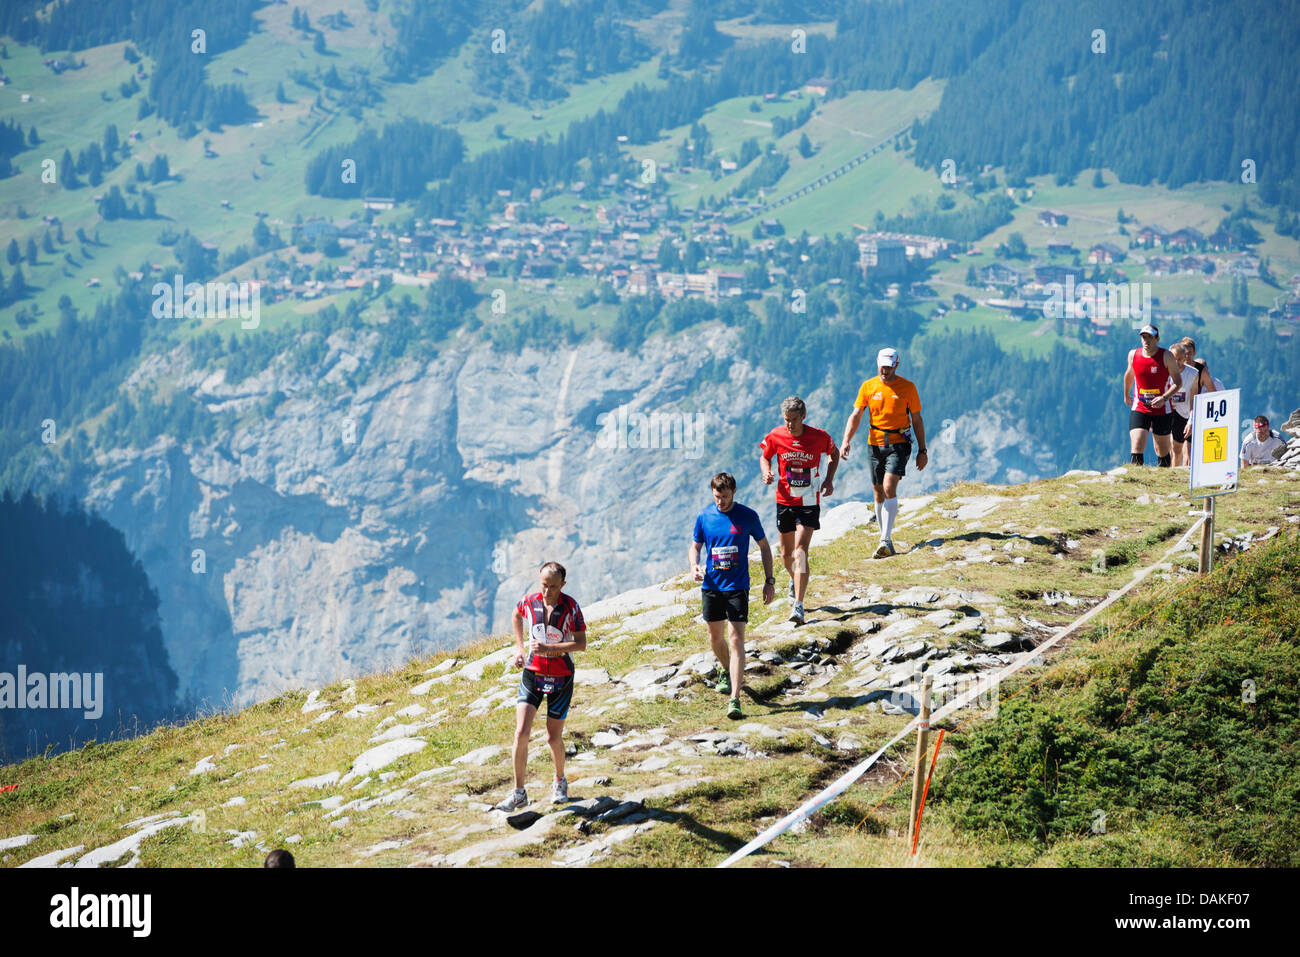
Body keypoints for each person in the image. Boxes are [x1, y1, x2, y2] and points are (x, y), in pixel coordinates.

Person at [496, 561, 586, 812]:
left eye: (553, 587)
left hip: (561, 677)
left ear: (563, 585)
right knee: (521, 733)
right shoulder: (530, 601)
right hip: (532, 674)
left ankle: (559, 781)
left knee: (552, 737)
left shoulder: (571, 607)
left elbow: (581, 644)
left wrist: (550, 649)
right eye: (544, 585)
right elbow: (516, 614)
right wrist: (519, 648)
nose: (546, 592)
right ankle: (518, 793)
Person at [690, 472, 776, 720]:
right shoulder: (704, 516)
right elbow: (695, 546)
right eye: (717, 497)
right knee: (714, 638)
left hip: (738, 587)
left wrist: (769, 581)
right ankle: (727, 670)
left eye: (725, 497)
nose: (721, 502)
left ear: (734, 492)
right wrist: (694, 565)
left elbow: (764, 547)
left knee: (736, 639)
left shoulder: (748, 516)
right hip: (712, 587)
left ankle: (735, 699)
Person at [759, 396, 840, 625]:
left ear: (803, 417)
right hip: (784, 500)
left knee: (800, 551)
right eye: (786, 420)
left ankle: (799, 606)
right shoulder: (776, 435)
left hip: (808, 503)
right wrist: (766, 472)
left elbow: (833, 455)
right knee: (786, 556)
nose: (790, 425)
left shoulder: (819, 437)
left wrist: (829, 480)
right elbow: (765, 456)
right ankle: (795, 580)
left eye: (794, 420)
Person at [840, 347, 927, 558]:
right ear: (877, 364)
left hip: (899, 443)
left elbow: (916, 419)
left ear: (896, 365)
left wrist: (922, 450)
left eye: (889, 367)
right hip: (875, 443)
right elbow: (856, 415)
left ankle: (885, 539)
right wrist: (846, 441)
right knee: (878, 492)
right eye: (882, 367)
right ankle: (884, 537)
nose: (885, 371)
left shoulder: (907, 388)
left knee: (889, 486)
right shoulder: (869, 386)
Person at [1122, 324, 1181, 467]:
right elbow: (1129, 375)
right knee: (1137, 443)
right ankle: (1135, 480)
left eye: (1150, 338)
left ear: (1157, 339)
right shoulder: (1133, 355)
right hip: (1140, 406)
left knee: (1161, 449)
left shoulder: (1166, 356)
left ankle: (1164, 478)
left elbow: (1178, 383)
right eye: (1143, 337)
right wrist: (1126, 395)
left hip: (1162, 408)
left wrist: (1164, 398)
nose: (1146, 341)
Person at [1167, 342, 1200, 466]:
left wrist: (1191, 419)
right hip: (1167, 410)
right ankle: (1166, 470)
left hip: (1183, 413)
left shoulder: (1193, 374)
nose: (1176, 362)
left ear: (1184, 357)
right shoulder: (1165, 371)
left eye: (1180, 359)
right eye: (1173, 359)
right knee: (1164, 445)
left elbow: (1193, 399)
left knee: (1177, 448)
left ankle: (1174, 472)